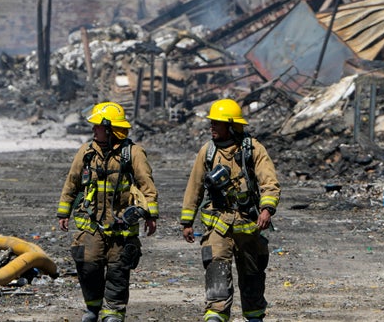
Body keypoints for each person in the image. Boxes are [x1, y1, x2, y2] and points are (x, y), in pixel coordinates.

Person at [180, 99, 280, 322]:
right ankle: (216, 314)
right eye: (212, 123)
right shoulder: (208, 151)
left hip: (249, 225)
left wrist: (266, 209)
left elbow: (269, 181)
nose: (212, 127)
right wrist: (187, 221)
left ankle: (254, 316)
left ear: (232, 126)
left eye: (217, 123)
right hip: (218, 223)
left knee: (252, 275)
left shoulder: (253, 149)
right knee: (216, 268)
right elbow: (194, 186)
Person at [58, 102, 159, 322]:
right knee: (88, 265)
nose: (93, 130)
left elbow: (147, 186)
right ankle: (93, 308)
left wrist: (150, 216)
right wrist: (63, 213)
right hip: (92, 225)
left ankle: (113, 312)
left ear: (111, 129)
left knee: (118, 270)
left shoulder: (133, 153)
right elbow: (72, 183)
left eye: (97, 126)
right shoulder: (86, 152)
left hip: (121, 226)